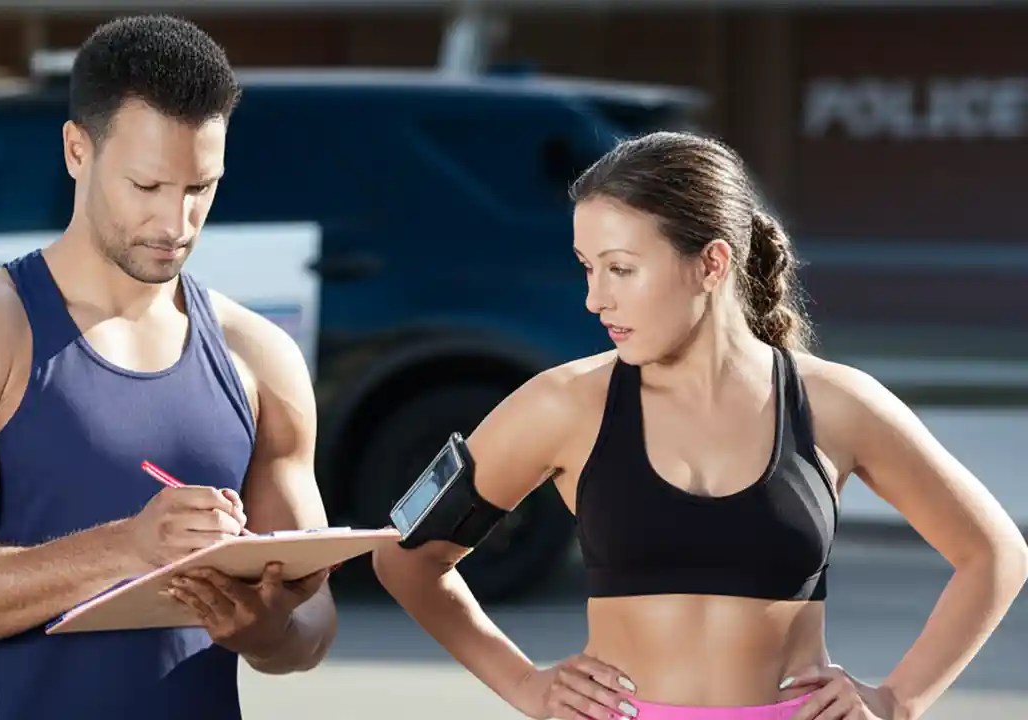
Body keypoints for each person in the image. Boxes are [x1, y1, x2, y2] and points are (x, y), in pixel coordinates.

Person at [372, 131, 1028, 720]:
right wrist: (525, 685)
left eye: (621, 269)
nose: (595, 298)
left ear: (712, 264)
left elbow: (994, 555)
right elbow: (406, 554)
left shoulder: (836, 404)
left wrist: (895, 701)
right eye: (588, 268)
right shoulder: (563, 404)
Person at [0, 15, 337, 720]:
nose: (175, 223)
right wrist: (129, 547)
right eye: (146, 186)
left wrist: (267, 632)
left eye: (199, 188)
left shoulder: (259, 355)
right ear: (76, 150)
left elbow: (313, 619)